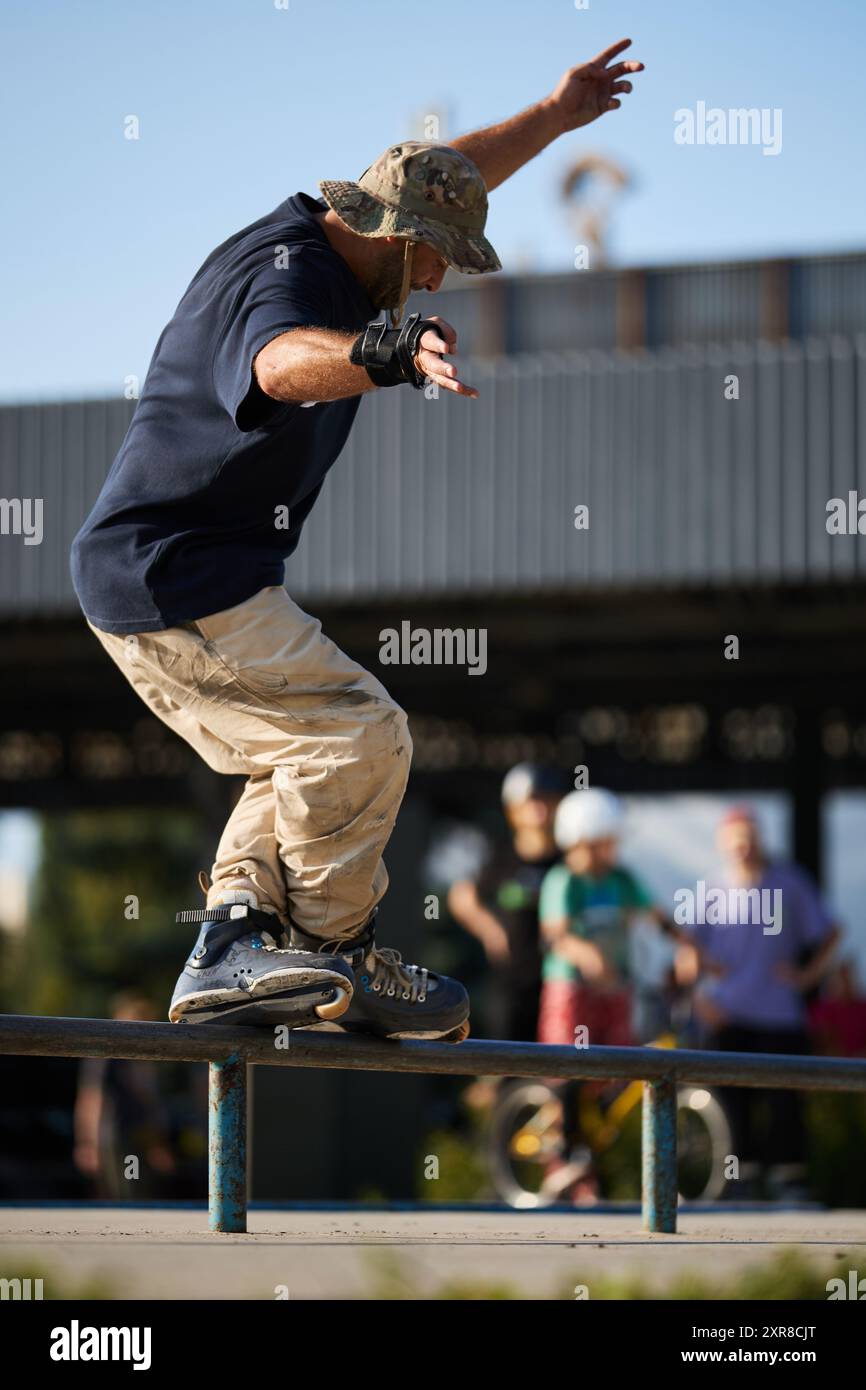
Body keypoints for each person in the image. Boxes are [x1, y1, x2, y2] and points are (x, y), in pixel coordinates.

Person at [69, 43, 644, 1040]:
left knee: (292, 757)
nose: (431, 280)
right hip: (172, 575)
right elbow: (279, 364)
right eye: (429, 260)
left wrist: (553, 116)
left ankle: (232, 943)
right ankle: (335, 955)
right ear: (393, 233)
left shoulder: (352, 224)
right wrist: (383, 353)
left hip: (196, 575)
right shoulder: (291, 282)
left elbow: (444, 172)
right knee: (363, 734)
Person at [679, 804, 839, 1200]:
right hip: (729, 1015)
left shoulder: (790, 883)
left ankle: (788, 1182)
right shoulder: (711, 889)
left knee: (785, 1102)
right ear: (723, 843)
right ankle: (739, 1180)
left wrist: (807, 977)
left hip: (781, 1015)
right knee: (734, 1103)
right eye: (736, 838)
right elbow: (688, 949)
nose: (743, 845)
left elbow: (831, 931)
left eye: (750, 837)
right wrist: (696, 997)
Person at [537, 788, 666, 1199]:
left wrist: (688, 946)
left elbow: (655, 915)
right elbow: (556, 933)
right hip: (572, 988)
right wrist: (586, 952)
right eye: (606, 841)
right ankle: (565, 1153)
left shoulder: (622, 879)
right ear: (582, 840)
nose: (613, 850)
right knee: (569, 1066)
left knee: (616, 1072)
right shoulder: (565, 881)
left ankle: (595, 1165)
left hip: (614, 989)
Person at [448, 764, 567, 1041]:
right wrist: (490, 930)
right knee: (504, 1067)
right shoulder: (501, 857)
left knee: (557, 1070)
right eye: (532, 801)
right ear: (514, 808)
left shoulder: (570, 860)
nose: (541, 810)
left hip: (560, 986)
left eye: (548, 801)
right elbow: (462, 894)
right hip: (511, 983)